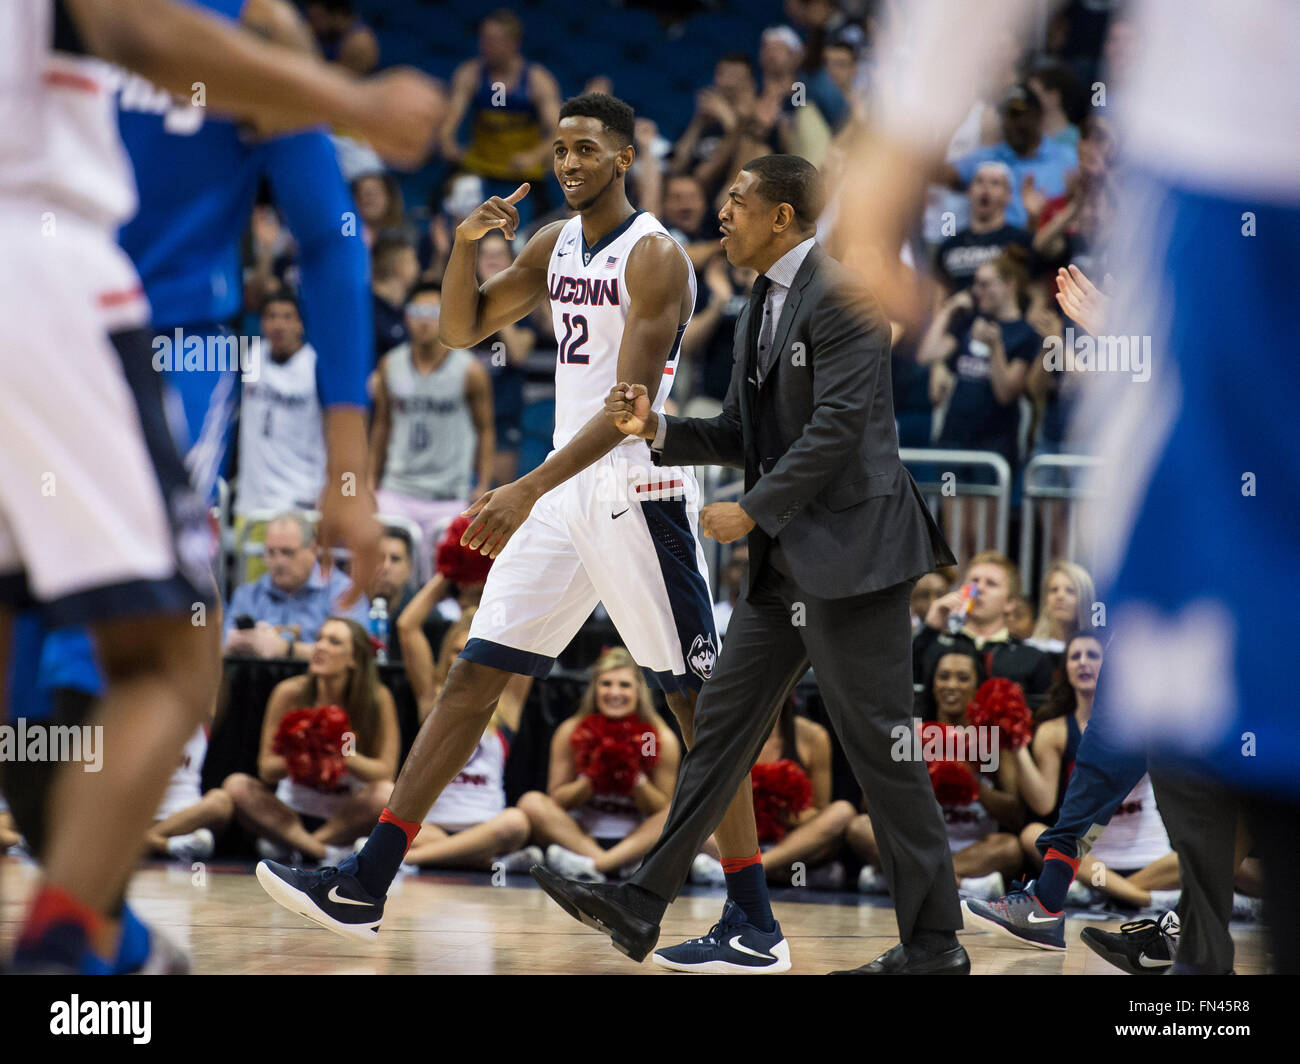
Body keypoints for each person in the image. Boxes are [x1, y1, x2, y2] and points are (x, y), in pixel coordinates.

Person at [2, 0, 439, 974]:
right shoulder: (213, 35)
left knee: (80, 671)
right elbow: (143, 34)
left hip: (167, 349)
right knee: (82, 684)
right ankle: (86, 942)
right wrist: (360, 99)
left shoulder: (259, 25)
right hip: (63, 304)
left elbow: (329, 241)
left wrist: (347, 469)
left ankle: (92, 937)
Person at [256, 93, 723, 950]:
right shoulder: (554, 241)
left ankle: (756, 916)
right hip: (562, 491)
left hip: (634, 488)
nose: (568, 162)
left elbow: (626, 411)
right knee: (475, 674)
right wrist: (466, 249)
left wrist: (522, 487)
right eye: (558, 150)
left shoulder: (656, 257)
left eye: (585, 149)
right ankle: (367, 881)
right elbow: (466, 328)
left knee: (697, 710)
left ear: (624, 158)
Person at [536, 154, 967, 975]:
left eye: (738, 200)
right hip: (787, 566)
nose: (723, 213)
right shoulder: (756, 305)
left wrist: (753, 509)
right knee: (722, 728)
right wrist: (656, 428)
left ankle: (936, 945)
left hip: (857, 555)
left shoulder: (844, 296)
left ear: (783, 217)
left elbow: (838, 430)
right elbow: (740, 431)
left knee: (882, 750)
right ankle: (640, 906)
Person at [224, 618, 399, 863]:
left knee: (387, 793)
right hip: (290, 813)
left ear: (354, 659)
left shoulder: (378, 699)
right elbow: (266, 770)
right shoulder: (289, 693)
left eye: (334, 642)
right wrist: (303, 751)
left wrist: (340, 752)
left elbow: (385, 771)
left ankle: (297, 845)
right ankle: (322, 852)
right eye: (319, 639)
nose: (320, 646)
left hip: (346, 818)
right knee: (236, 785)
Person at [397, 598, 539, 874]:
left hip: (487, 826)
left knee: (517, 822)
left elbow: (530, 637)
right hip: (429, 825)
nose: (465, 658)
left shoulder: (507, 702)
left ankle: (411, 858)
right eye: (456, 650)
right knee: (386, 804)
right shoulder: (432, 699)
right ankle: (486, 862)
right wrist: (448, 570)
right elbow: (406, 626)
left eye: (474, 650)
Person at [519, 648, 680, 882]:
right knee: (531, 802)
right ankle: (614, 864)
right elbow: (557, 799)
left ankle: (599, 865)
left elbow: (661, 807)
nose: (614, 692)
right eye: (606, 684)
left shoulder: (653, 739)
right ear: (594, 689)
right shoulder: (572, 730)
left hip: (636, 839)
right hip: (582, 836)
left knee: (680, 810)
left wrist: (635, 779)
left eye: (624, 685)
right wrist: (592, 778)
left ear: (639, 691)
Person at [370, 283, 496, 578]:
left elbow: (486, 430)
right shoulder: (390, 364)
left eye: (433, 312)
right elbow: (382, 425)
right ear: (406, 317)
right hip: (397, 489)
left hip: (448, 494)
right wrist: (368, 480)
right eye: (417, 311)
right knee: (384, 572)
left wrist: (483, 483)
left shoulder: (470, 371)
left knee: (446, 580)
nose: (424, 319)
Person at [687, 695, 856, 897]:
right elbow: (710, 800)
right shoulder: (726, 733)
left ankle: (753, 869)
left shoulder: (813, 736)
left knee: (842, 812)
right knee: (685, 811)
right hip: (740, 834)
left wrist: (784, 811)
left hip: (792, 840)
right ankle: (769, 870)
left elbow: (819, 810)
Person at [440, 8, 562, 230]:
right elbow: (450, 121)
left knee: (543, 224)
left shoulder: (538, 80)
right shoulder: (471, 74)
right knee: (445, 203)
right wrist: (448, 143)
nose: (486, 46)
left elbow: (559, 132)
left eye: (494, 40)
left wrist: (534, 155)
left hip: (522, 174)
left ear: (513, 43)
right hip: (480, 168)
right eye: (484, 39)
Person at [914, 551, 1055, 709]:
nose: (979, 588)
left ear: (1010, 603)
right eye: (974, 581)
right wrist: (930, 629)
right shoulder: (938, 646)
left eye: (991, 583)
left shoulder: (1032, 658)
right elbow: (907, 684)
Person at [224, 511, 370, 659]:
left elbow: (356, 653)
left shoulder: (344, 592)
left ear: (312, 550)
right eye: (271, 552)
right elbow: (221, 647)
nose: (278, 562)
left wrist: (287, 649)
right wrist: (235, 644)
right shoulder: (248, 594)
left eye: (288, 553)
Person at [233, 292, 326, 517]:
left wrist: (343, 488)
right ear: (262, 323)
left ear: (301, 324)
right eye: (271, 317)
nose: (278, 324)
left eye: (287, 317)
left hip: (301, 500)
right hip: (251, 503)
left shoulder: (317, 367)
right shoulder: (250, 357)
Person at [940, 83, 1078, 230]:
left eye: (1017, 114)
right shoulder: (987, 158)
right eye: (1004, 114)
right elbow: (941, 175)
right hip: (997, 246)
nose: (1010, 122)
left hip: (1051, 243)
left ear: (1037, 115)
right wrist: (951, 124)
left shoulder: (1066, 157)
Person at [468, 230, 535, 485]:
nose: (491, 259)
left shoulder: (525, 303)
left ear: (511, 261)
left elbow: (519, 353)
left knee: (499, 492)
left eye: (498, 254)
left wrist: (495, 300)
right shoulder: (463, 303)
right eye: (485, 254)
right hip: (464, 414)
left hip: (504, 413)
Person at [932, 162, 1032, 297]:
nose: (986, 188)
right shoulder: (949, 245)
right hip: (959, 315)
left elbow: (1035, 289)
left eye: (995, 183)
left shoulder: (1020, 241)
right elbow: (940, 296)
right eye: (979, 181)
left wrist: (1033, 219)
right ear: (969, 191)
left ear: (1008, 195)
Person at [144, 726, 234, 863]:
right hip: (146, 817)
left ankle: (151, 841)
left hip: (190, 819)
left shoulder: (201, 721)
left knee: (220, 801)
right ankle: (165, 844)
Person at [371, 230, 421, 362]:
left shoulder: (401, 308)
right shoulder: (368, 312)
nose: (418, 267)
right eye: (413, 261)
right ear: (400, 266)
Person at [1027, 559, 1095, 652]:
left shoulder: (1098, 654)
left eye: (1070, 591)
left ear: (1085, 599)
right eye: (1054, 590)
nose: (1060, 596)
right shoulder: (1029, 649)